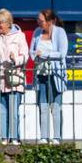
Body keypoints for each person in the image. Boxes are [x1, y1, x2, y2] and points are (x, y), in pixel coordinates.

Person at [0, 9, 28, 144]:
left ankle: (14, 138)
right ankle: (4, 138)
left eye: (1, 23)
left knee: (13, 111)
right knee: (0, 111)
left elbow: (25, 56)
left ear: (8, 23)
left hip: (14, 79)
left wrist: (15, 59)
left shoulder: (19, 36)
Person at [30, 9, 68, 145]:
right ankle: (44, 136)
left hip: (55, 74)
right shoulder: (36, 33)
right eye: (38, 21)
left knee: (56, 106)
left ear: (50, 21)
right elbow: (32, 52)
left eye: (41, 21)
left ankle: (57, 137)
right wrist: (36, 54)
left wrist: (44, 54)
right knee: (43, 106)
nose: (39, 23)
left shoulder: (60, 32)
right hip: (40, 74)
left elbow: (62, 53)